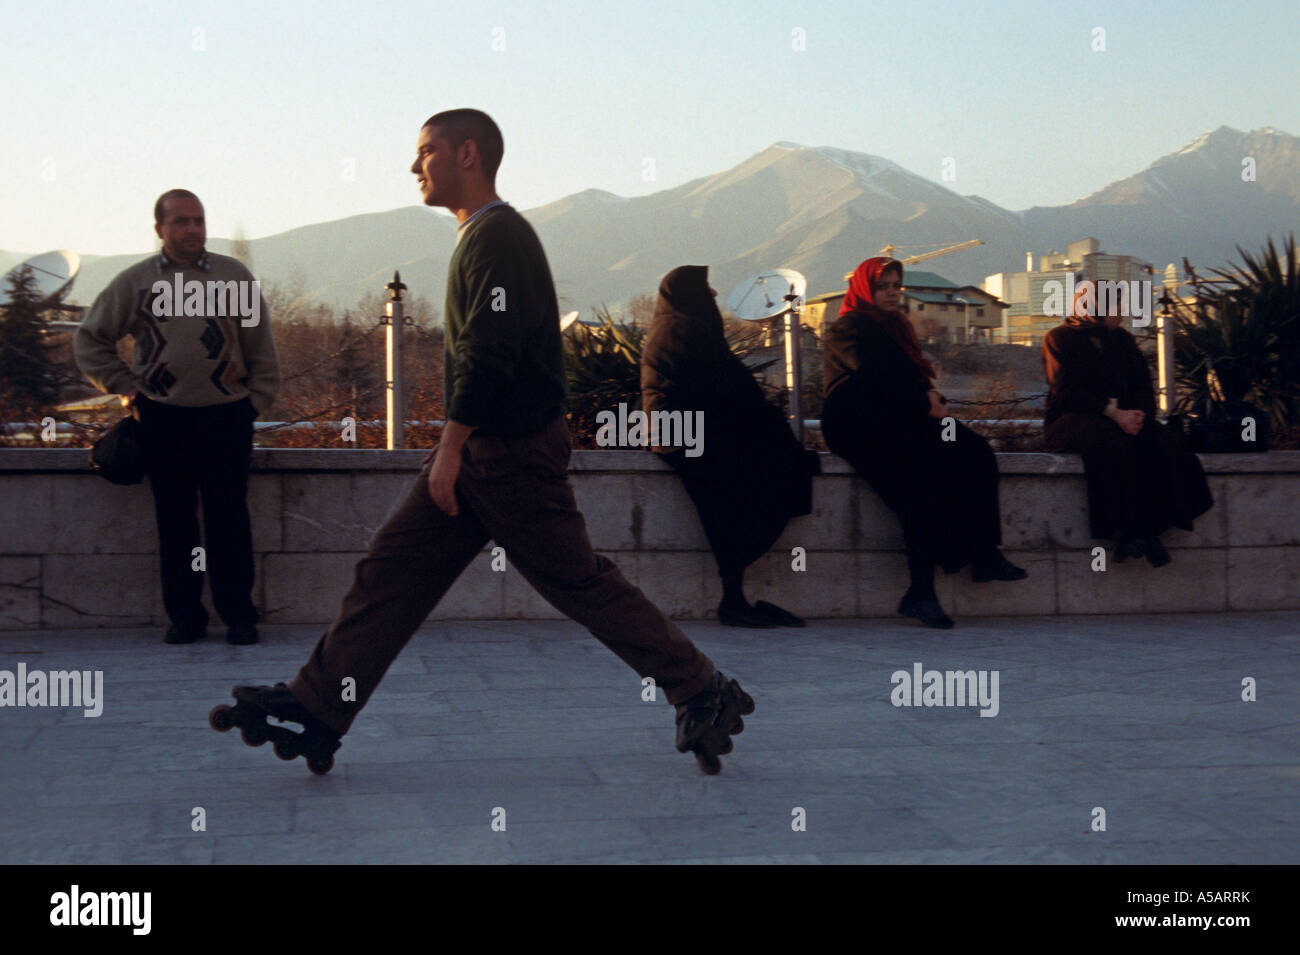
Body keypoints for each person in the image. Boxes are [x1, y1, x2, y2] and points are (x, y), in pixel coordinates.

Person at [211, 110, 752, 776]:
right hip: (485, 453)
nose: (415, 166)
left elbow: (489, 354)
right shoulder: (483, 237)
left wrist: (450, 445)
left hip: (510, 455)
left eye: (426, 151)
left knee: (578, 583)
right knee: (392, 571)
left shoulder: (497, 238)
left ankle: (701, 686)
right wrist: (456, 448)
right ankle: (318, 708)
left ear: (468, 154)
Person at [74, 190, 278, 645]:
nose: (193, 229)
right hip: (163, 419)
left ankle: (238, 615)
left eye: (199, 220)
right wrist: (127, 389)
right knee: (176, 522)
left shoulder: (234, 276)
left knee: (230, 519)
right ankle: (185, 617)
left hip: (227, 416)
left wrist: (254, 403)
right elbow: (90, 340)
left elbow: (261, 347)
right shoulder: (137, 282)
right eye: (181, 221)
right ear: (159, 229)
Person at [820, 257, 1025, 629]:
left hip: (909, 417)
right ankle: (921, 592)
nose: (892, 292)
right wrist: (922, 402)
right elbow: (870, 379)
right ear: (866, 288)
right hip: (862, 425)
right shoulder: (847, 328)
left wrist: (931, 399)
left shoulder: (897, 326)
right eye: (883, 286)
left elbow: (909, 376)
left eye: (896, 285)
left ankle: (984, 553)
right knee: (918, 486)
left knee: (975, 451)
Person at [641, 265, 821, 627]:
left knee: (736, 491)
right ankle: (733, 598)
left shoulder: (676, 327)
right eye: (705, 288)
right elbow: (728, 387)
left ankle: (735, 596)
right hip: (687, 434)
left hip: (683, 432)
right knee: (745, 484)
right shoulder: (684, 329)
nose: (714, 295)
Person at [1042, 279, 1213, 565]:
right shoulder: (1059, 338)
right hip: (1072, 419)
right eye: (1116, 304)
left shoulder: (1122, 340)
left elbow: (1142, 385)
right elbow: (1066, 390)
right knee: (1114, 445)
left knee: (1161, 441)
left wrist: (1138, 415)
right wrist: (1114, 413)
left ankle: (1156, 525)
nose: (1121, 311)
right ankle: (1126, 532)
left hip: (1124, 418)